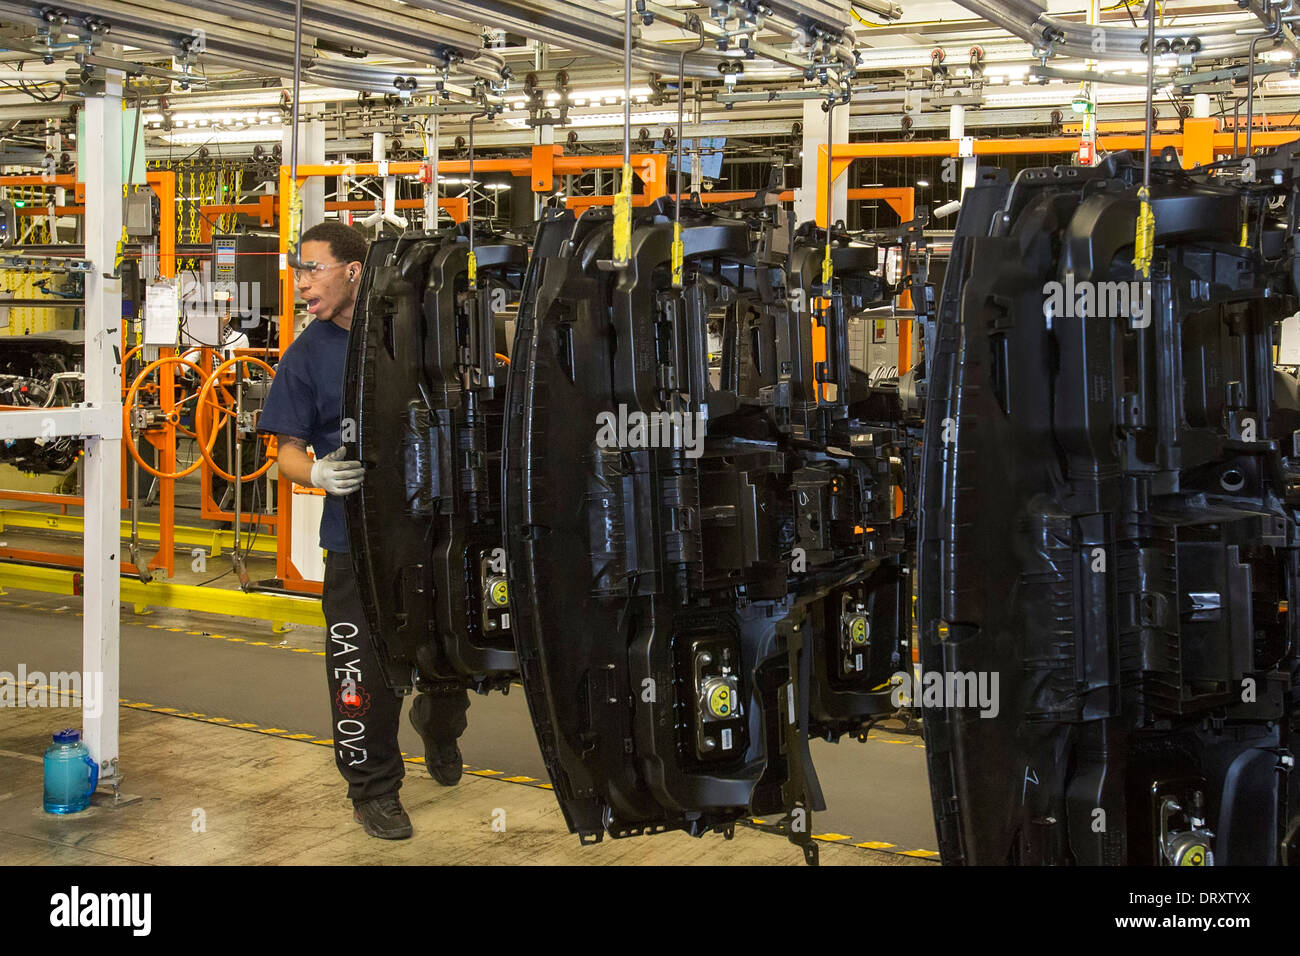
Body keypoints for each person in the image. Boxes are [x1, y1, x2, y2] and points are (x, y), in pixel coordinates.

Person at [258, 221, 471, 840]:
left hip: (437, 530)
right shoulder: (306, 355)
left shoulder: (417, 333)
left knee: (448, 655)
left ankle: (440, 723)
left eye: (312, 270)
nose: (300, 284)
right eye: (297, 272)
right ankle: (373, 788)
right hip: (357, 542)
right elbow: (286, 453)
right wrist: (318, 472)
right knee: (361, 669)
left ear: (354, 270)